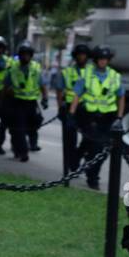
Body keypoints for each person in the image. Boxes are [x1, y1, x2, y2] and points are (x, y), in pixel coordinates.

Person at [69, 45, 126, 189]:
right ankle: (92, 177)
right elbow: (77, 95)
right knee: (96, 148)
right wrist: (71, 114)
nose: (103, 61)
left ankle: (77, 159)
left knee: (100, 149)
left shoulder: (114, 76)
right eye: (100, 59)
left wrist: (119, 117)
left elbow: (121, 97)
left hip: (108, 118)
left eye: (105, 59)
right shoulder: (87, 74)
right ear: (95, 60)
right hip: (90, 117)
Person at [6, 41, 46, 162]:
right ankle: (23, 152)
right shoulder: (13, 69)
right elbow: (6, 87)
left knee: (33, 127)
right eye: (23, 54)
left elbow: (42, 84)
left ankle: (32, 144)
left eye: (28, 54)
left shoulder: (36, 68)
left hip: (32, 103)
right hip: (18, 103)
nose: (25, 57)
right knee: (19, 129)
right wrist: (4, 102)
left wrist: (45, 98)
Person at [56, 42, 91, 173]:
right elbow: (59, 91)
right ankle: (72, 164)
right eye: (79, 55)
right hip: (70, 108)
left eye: (84, 55)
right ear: (75, 56)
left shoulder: (91, 71)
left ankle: (76, 158)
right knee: (70, 139)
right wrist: (60, 107)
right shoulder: (67, 72)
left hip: (87, 108)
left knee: (88, 138)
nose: (81, 57)